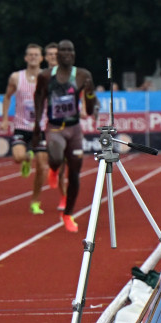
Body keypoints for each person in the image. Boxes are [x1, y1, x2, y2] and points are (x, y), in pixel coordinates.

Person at [33, 39, 96, 233]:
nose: (67, 53)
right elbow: (39, 98)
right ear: (57, 55)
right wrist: (36, 125)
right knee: (57, 158)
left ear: (74, 54)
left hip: (74, 129)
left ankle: (68, 214)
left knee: (75, 174)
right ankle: (53, 169)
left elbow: (91, 107)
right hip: (54, 128)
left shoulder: (82, 75)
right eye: (63, 50)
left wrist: (90, 92)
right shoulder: (45, 76)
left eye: (71, 50)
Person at [0, 44, 50, 214]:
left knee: (42, 166)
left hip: (40, 127)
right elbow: (7, 97)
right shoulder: (16, 77)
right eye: (30, 55)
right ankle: (27, 158)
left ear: (41, 58)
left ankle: (35, 201)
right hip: (21, 126)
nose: (34, 57)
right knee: (18, 157)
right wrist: (5, 119)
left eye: (37, 54)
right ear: (26, 58)